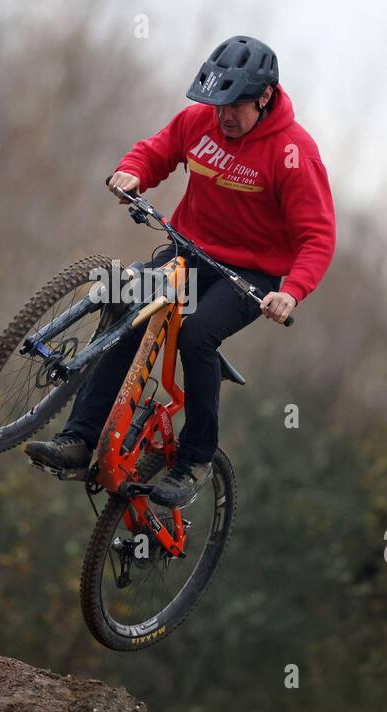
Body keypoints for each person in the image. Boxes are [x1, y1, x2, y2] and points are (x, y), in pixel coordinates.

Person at [25, 35, 336, 507]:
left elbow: (318, 236)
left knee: (196, 336)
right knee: (129, 311)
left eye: (235, 105)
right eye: (217, 103)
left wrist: (291, 292)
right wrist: (133, 171)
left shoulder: (294, 153)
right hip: (188, 253)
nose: (223, 115)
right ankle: (79, 441)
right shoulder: (199, 122)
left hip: (248, 277)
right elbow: (155, 151)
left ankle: (194, 459)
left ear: (266, 96)